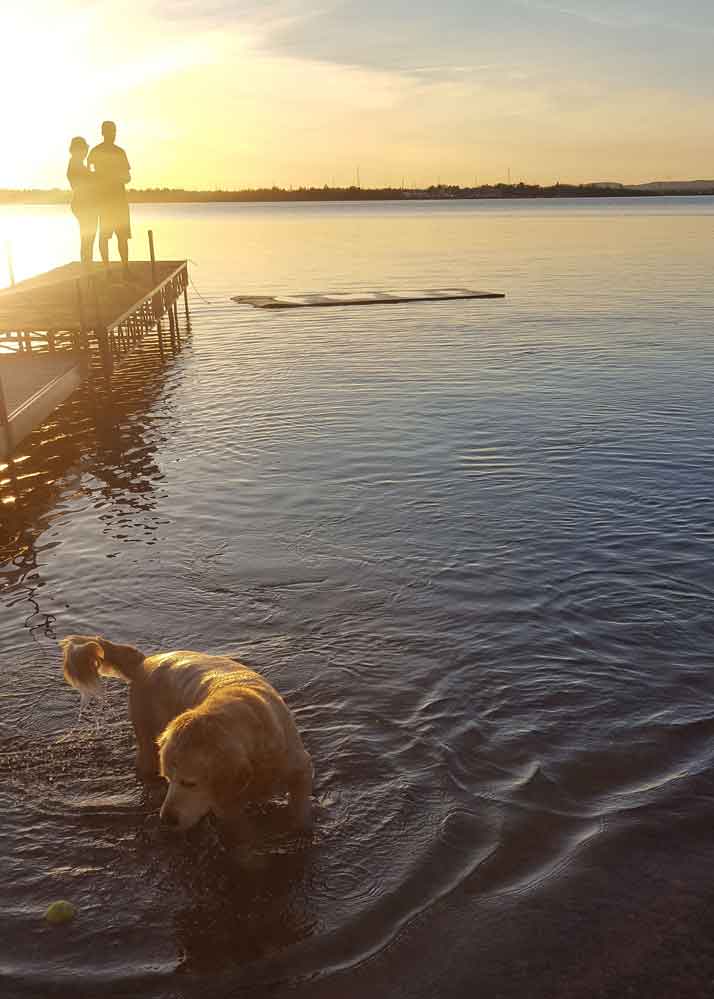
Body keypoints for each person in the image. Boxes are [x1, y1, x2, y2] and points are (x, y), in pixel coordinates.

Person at [88, 121, 132, 278]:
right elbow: (89, 174)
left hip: (119, 200)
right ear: (102, 132)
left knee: (122, 236)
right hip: (104, 201)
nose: (112, 135)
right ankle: (107, 270)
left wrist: (117, 177)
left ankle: (125, 268)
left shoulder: (120, 152)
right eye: (109, 132)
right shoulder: (95, 152)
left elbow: (128, 177)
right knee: (104, 236)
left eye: (114, 132)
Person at [66, 136, 97, 268]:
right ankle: (86, 263)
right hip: (81, 204)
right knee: (87, 234)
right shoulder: (75, 164)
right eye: (84, 149)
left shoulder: (76, 163)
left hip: (83, 203)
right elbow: (86, 180)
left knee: (88, 234)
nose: (86, 152)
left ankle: (87, 261)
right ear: (77, 150)